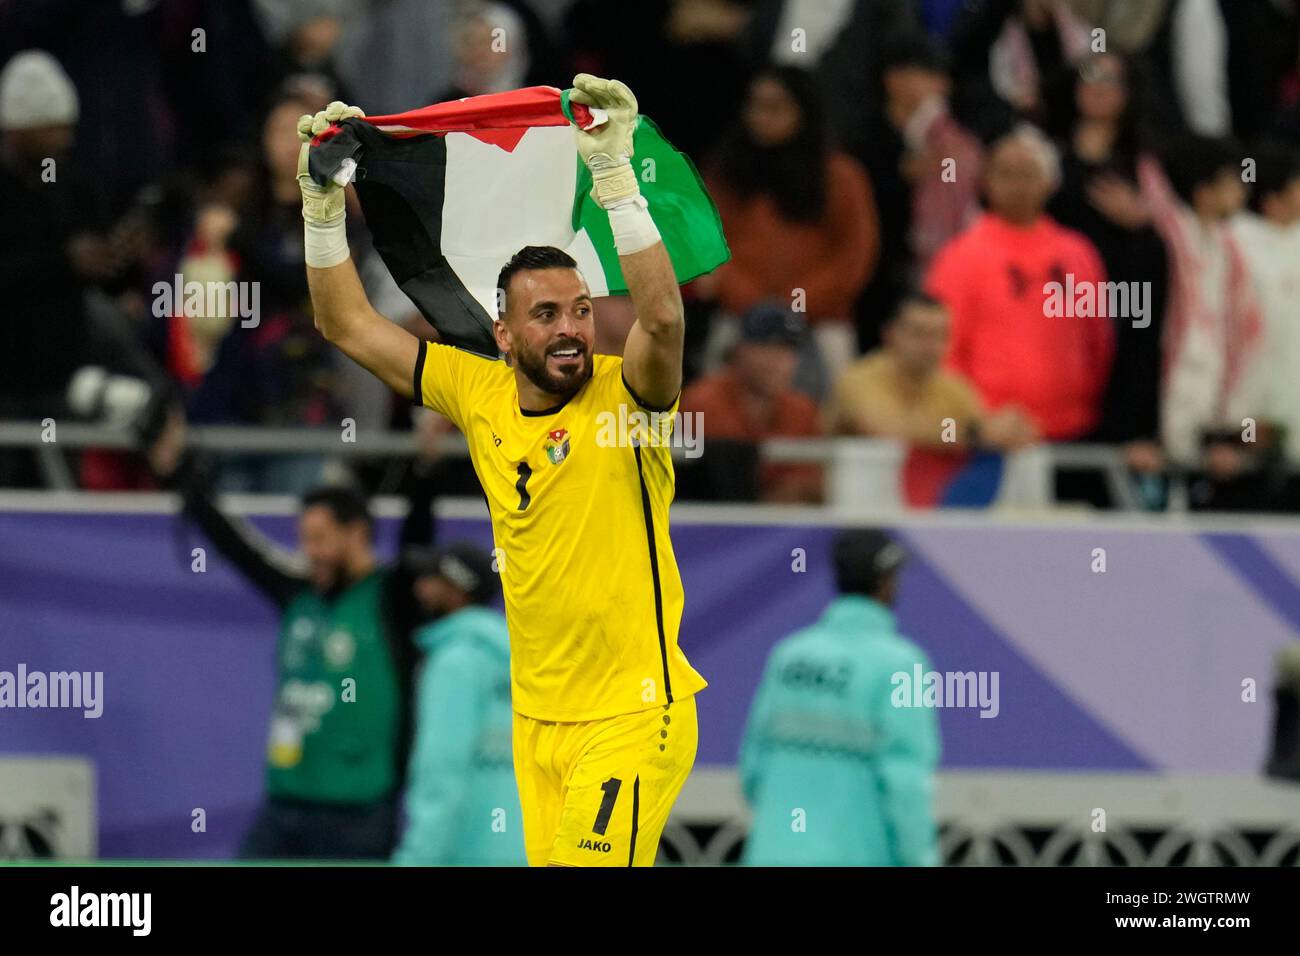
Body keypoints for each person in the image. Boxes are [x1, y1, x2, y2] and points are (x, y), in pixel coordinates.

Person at [297, 76, 708, 867]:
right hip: (537, 721)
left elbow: (662, 316)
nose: (570, 330)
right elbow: (344, 323)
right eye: (546, 315)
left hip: (634, 714)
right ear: (504, 332)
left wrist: (616, 178)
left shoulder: (630, 396)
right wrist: (322, 208)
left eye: (581, 311)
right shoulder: (476, 387)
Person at [145, 409, 439, 860]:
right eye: (305, 539)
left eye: (320, 538)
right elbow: (234, 543)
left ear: (357, 534)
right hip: (284, 809)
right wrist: (178, 469)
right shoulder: (296, 592)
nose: (310, 552)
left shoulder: (391, 601)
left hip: (360, 816)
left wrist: (425, 466)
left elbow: (416, 541)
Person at [739, 530, 940, 866]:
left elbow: (753, 770)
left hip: (772, 853)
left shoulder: (790, 654)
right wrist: (919, 857)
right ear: (886, 582)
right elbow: (905, 781)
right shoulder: (901, 664)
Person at [926, 126, 1114, 443]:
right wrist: (971, 420)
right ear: (986, 183)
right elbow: (942, 347)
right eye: (1006, 175)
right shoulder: (959, 257)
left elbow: (1098, 340)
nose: (1018, 186)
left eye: (1028, 174)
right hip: (988, 435)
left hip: (1073, 430)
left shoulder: (1078, 253)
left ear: (1049, 181)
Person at [704, 65, 878, 391]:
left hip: (823, 325)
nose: (760, 117)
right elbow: (706, 247)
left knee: (827, 425)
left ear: (803, 112)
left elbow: (854, 257)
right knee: (718, 417)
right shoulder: (726, 172)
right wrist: (755, 306)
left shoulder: (841, 177)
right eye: (755, 106)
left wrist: (793, 309)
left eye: (774, 107)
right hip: (738, 318)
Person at [394, 542, 525, 866]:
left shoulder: (454, 663)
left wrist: (417, 858)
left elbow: (442, 772)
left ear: (457, 591)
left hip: (470, 853)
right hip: (527, 850)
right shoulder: (520, 661)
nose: (419, 588)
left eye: (431, 579)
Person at [828, 294, 1036, 453]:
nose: (931, 346)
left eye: (940, 335)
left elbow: (984, 430)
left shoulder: (954, 389)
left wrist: (1007, 431)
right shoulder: (858, 380)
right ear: (890, 335)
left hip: (923, 502)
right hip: (848, 502)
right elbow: (887, 429)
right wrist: (974, 434)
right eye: (919, 333)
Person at [681, 303, 823, 504]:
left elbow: (811, 481)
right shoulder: (703, 401)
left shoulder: (802, 410)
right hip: (712, 524)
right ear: (740, 350)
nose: (778, 363)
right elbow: (721, 481)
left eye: (787, 351)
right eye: (768, 348)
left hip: (786, 528)